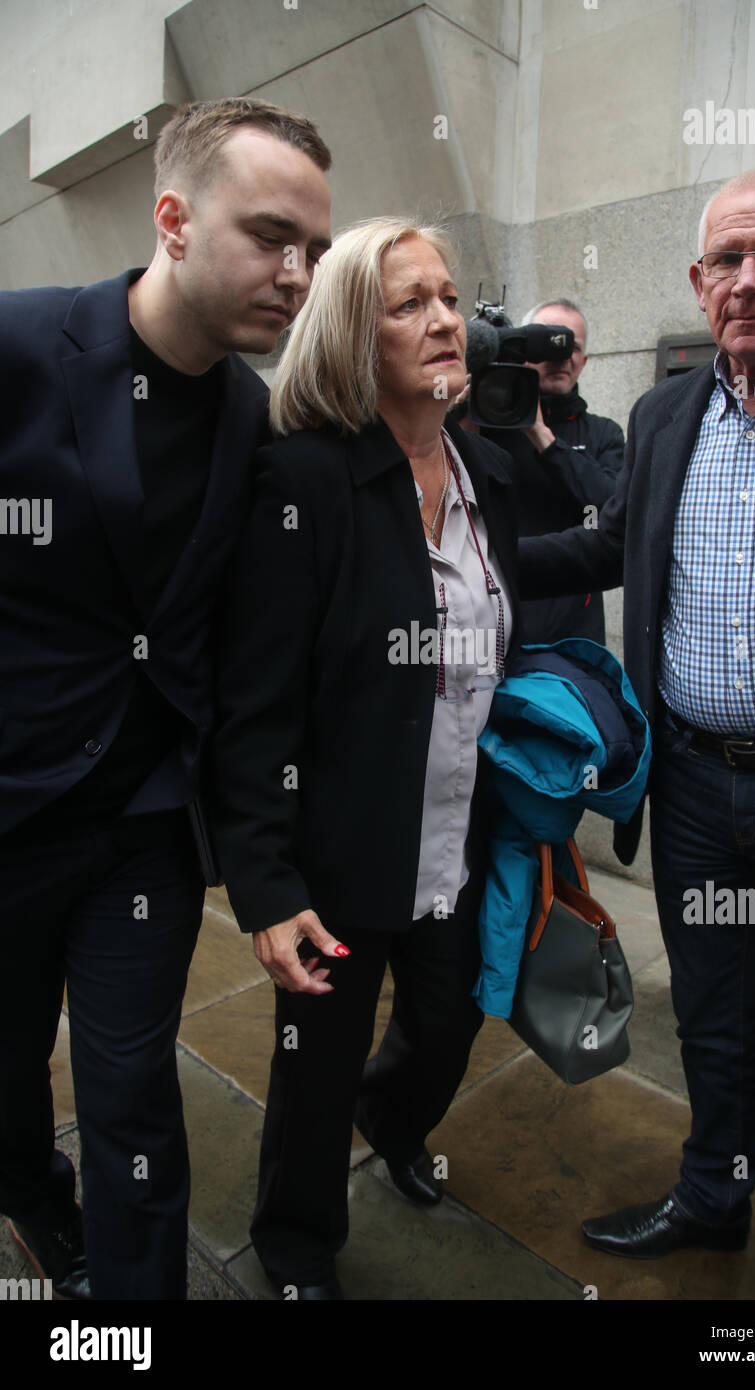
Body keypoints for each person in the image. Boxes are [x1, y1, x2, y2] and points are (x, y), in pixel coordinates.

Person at [519, 168, 755, 1300]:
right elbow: (606, 548)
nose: (747, 281)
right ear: (694, 281)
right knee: (713, 1023)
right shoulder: (661, 414)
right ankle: (713, 1200)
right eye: (725, 260)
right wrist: (449, 568)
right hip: (690, 784)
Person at [0, 97, 332, 1300]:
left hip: (142, 823)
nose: (296, 275)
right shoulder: (23, 344)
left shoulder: (258, 422)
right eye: (269, 236)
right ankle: (40, 1213)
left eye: (315, 251)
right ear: (174, 220)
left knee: (133, 1090)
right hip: (11, 808)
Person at [210, 217, 521, 1300]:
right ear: (354, 333)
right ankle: (296, 1248)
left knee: (446, 1025)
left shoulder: (481, 466)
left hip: (456, 833)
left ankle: (391, 1122)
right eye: (406, 305)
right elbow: (254, 704)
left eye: (446, 296)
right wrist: (267, 882)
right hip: (340, 852)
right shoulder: (306, 479)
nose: (442, 321)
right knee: (314, 1064)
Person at [482, 299, 624, 644]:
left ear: (585, 361)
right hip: (497, 628)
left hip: (575, 638)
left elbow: (614, 510)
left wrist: (543, 437)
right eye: (549, 343)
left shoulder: (603, 433)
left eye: (572, 347)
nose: (562, 356)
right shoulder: (486, 428)